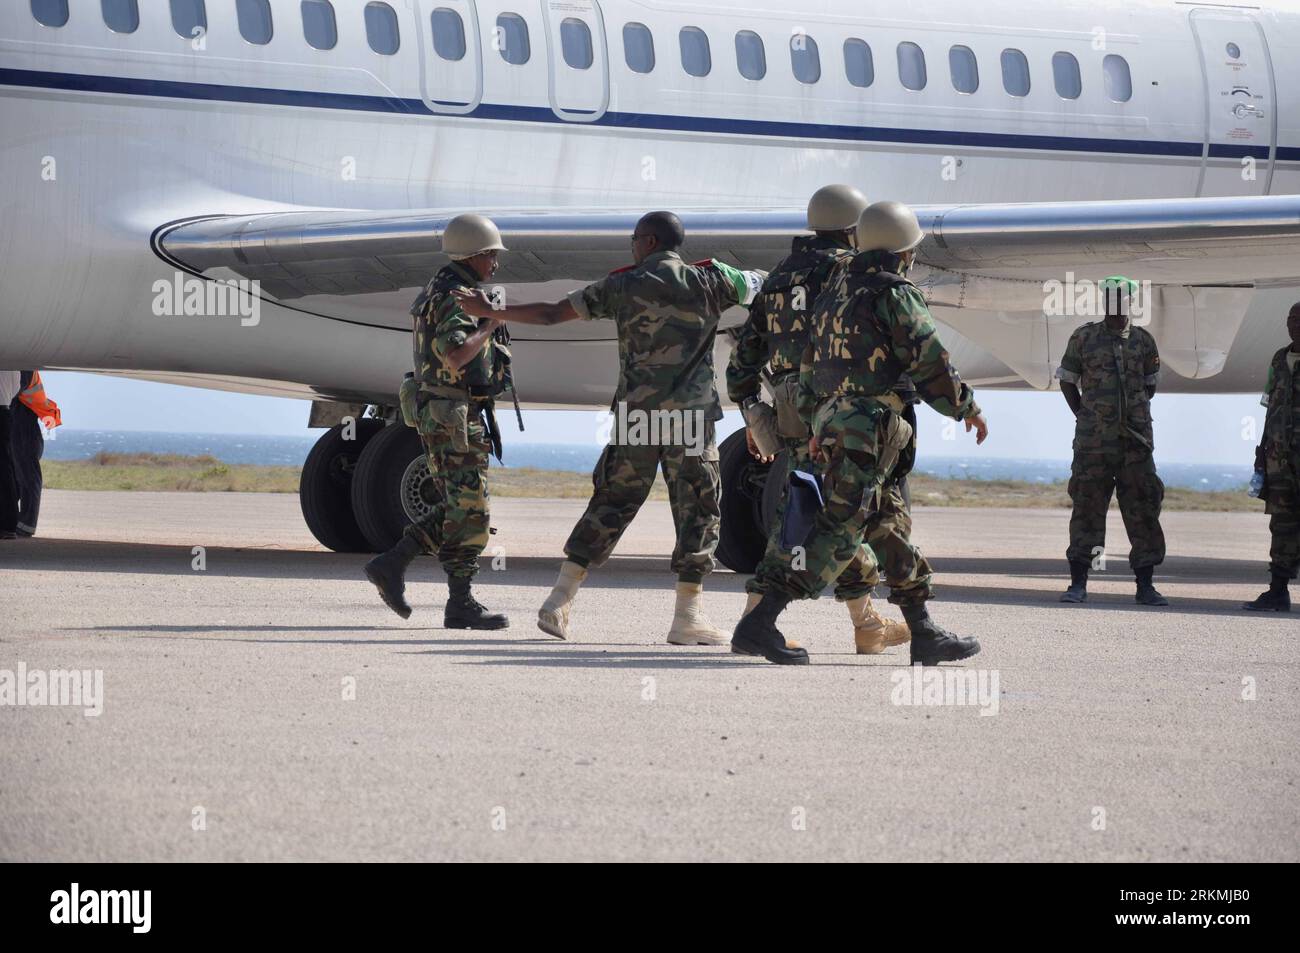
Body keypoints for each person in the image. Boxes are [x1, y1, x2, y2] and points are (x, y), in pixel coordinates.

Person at [455, 211, 766, 644]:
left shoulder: (622, 284)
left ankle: (560, 600)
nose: (632, 246)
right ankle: (687, 617)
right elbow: (762, 287)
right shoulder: (713, 280)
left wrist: (491, 310)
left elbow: (549, 314)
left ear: (651, 241)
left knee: (613, 503)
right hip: (690, 421)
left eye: (636, 239)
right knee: (698, 511)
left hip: (638, 418)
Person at [732, 202, 989, 665]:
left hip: (835, 423)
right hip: (867, 428)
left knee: (886, 522)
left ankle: (924, 630)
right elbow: (928, 358)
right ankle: (760, 620)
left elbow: (811, 362)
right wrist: (965, 407)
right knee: (839, 528)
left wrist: (814, 425)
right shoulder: (894, 291)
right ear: (906, 251)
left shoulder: (836, 291)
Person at [727, 184, 912, 655]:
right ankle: (758, 622)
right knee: (851, 516)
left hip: (790, 412)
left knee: (812, 514)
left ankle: (865, 623)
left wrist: (755, 416)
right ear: (854, 230)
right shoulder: (851, 273)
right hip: (843, 411)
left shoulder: (778, 279)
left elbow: (742, 364)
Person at [364, 214, 511, 630]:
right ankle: (457, 601)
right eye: (492, 256)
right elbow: (456, 354)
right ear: (476, 255)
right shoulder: (456, 296)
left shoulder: (441, 288)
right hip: (452, 416)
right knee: (471, 511)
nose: (496, 265)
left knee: (458, 506)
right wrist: (492, 323)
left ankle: (395, 565)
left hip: (447, 413)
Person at [1055, 276, 1169, 607]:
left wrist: (1132, 416)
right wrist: (1085, 416)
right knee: (1088, 510)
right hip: (1093, 445)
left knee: (1143, 511)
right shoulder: (1084, 338)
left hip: (1135, 445)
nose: (1117, 304)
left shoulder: (1144, 342)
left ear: (1131, 303)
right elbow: (1067, 380)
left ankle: (1145, 586)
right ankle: (1078, 583)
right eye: (1112, 298)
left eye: (1123, 299)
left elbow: (1149, 385)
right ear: (1105, 302)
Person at [1244, 303, 1300, 612]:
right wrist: (1261, 454)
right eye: (1291, 319)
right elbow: (1269, 408)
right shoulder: (1280, 360)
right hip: (1279, 459)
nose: (1295, 324)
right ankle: (1278, 591)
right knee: (1282, 525)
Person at [12, 370, 61, 536]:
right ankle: (13, 521)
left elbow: (12, 390)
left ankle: (26, 524)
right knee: (15, 477)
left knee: (27, 476)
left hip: (24, 424)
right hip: (20, 422)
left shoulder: (23, 367)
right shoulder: (19, 364)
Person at [0, 370, 19, 539]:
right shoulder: (13, 364)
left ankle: (6, 523)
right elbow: (16, 389)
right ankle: (9, 523)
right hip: (5, 411)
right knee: (6, 469)